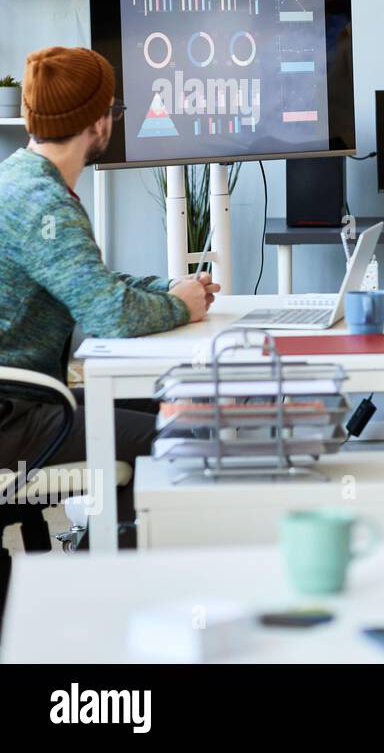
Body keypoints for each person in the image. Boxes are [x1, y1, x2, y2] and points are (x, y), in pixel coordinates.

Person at [0, 46, 218, 524]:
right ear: (98, 122)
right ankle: (111, 576)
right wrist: (181, 308)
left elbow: (90, 282)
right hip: (15, 420)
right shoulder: (45, 204)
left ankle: (112, 553)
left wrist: (170, 289)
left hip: (26, 399)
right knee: (187, 439)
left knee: (166, 401)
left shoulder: (22, 178)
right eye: (115, 110)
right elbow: (109, 315)